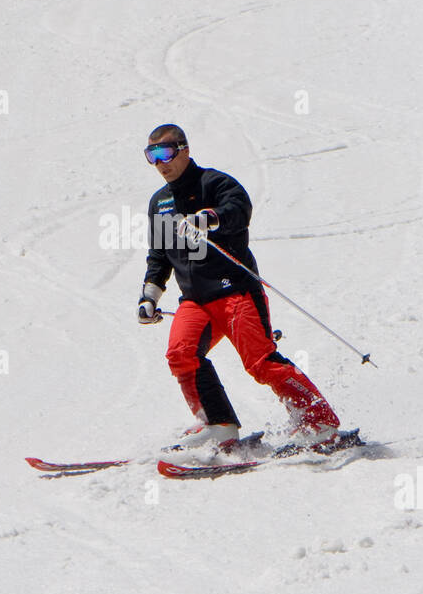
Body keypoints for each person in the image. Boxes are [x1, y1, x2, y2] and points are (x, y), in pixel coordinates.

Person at [138, 124, 341, 448]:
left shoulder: (214, 183)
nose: (160, 163)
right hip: (195, 300)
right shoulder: (160, 202)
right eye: (152, 156)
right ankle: (218, 426)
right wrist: (150, 295)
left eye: (165, 153)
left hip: (235, 292)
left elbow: (239, 210)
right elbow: (160, 255)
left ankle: (319, 422)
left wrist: (209, 218)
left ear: (184, 149)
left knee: (261, 363)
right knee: (181, 354)